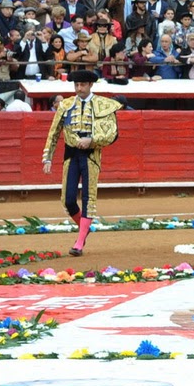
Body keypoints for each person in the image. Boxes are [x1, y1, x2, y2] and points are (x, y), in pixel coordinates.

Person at [40, 69, 122, 256]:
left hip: (91, 155)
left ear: (90, 85)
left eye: (82, 85)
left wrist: (92, 140)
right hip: (71, 154)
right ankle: (84, 228)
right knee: (68, 200)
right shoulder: (66, 105)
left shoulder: (103, 104)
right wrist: (48, 157)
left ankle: (79, 241)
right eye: (76, 85)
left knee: (88, 196)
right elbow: (53, 133)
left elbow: (112, 134)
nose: (79, 88)